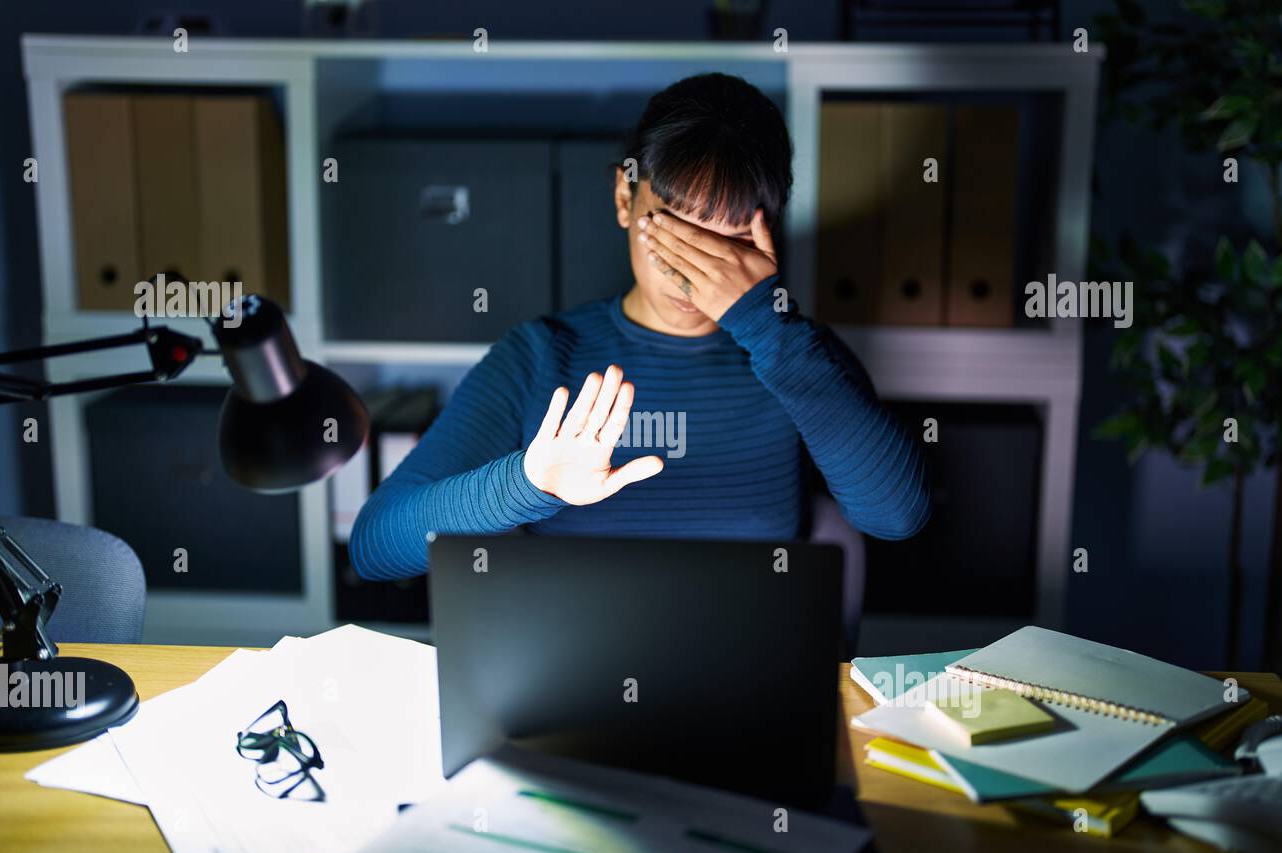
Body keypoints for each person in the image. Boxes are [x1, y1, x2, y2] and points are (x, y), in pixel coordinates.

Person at [349, 72, 930, 581]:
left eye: (725, 245)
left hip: (750, 685)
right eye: (674, 232)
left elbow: (896, 517)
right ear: (625, 199)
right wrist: (529, 484)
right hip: (574, 688)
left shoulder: (798, 354)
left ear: (767, 235)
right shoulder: (541, 354)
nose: (690, 276)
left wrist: (764, 323)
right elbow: (375, 545)